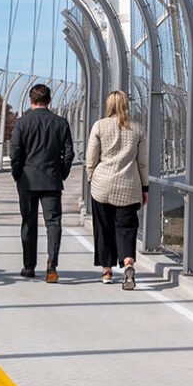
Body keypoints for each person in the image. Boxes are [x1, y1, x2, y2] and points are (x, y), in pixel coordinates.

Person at [8, 82, 74, 282]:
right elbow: (69, 154)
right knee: (53, 223)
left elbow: (15, 153)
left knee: (28, 222)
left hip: (27, 181)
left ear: (30, 100)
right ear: (49, 100)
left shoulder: (22, 122)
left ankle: (29, 266)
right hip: (52, 181)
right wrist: (61, 173)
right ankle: (52, 264)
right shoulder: (61, 123)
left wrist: (17, 174)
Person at [86, 89, 148, 289]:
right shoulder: (138, 129)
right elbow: (143, 163)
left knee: (103, 229)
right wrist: (145, 187)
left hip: (102, 185)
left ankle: (106, 271)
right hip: (129, 186)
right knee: (127, 228)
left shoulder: (99, 126)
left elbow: (91, 158)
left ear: (109, 105)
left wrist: (91, 178)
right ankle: (128, 262)